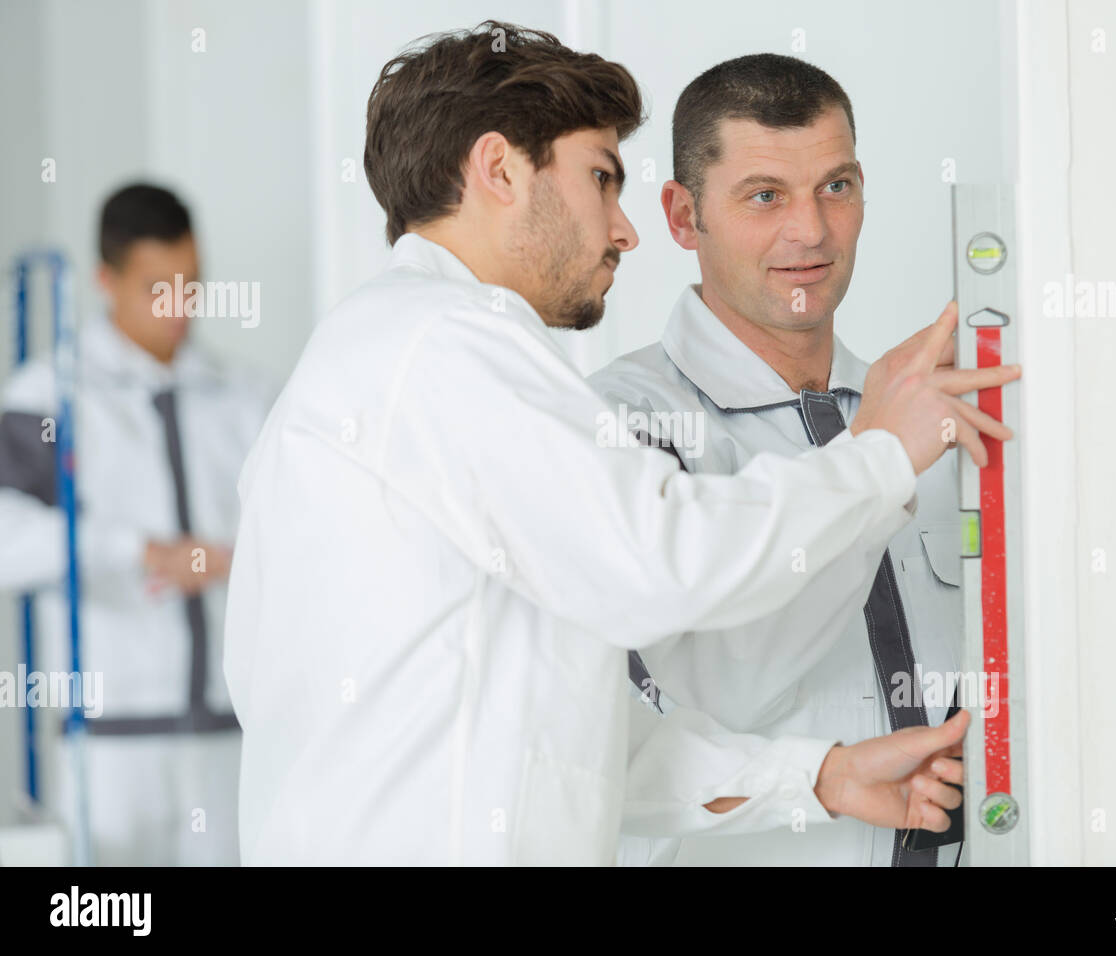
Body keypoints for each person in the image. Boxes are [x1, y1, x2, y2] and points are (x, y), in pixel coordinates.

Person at [223, 21, 1008, 866]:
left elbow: (577, 748)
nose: (624, 231)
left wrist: (818, 777)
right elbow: (661, 560)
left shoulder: (398, 356)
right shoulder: (440, 345)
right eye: (600, 178)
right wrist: (881, 455)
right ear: (499, 170)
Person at [589, 54, 1020, 867]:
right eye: (764, 197)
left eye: (836, 187)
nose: (811, 231)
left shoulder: (922, 404)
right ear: (683, 217)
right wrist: (878, 463)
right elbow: (713, 697)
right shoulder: (621, 425)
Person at [0, 183, 273, 865]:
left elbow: (297, 540)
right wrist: (140, 553)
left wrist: (228, 560)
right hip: (110, 744)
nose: (178, 308)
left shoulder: (244, 397)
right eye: (157, 287)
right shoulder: (48, 394)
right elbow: (7, 539)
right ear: (105, 280)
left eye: (191, 285)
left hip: (227, 738)